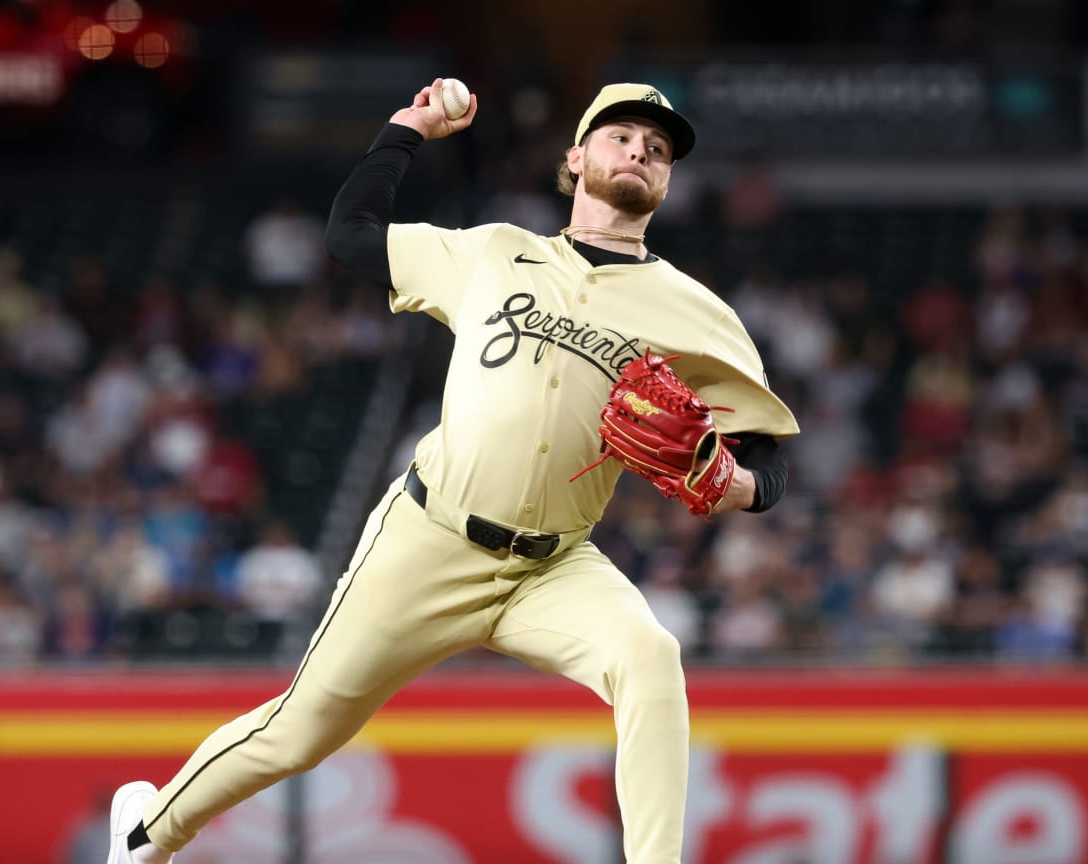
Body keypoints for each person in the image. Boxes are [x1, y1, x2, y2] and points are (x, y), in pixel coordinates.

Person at [106, 79, 799, 864]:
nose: (641, 150)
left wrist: (739, 485)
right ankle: (144, 836)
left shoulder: (697, 313)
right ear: (575, 159)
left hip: (555, 565)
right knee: (300, 731)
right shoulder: (491, 250)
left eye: (659, 148)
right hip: (428, 540)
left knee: (650, 657)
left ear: (667, 181)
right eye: (621, 136)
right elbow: (351, 234)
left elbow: (769, 456)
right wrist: (405, 131)